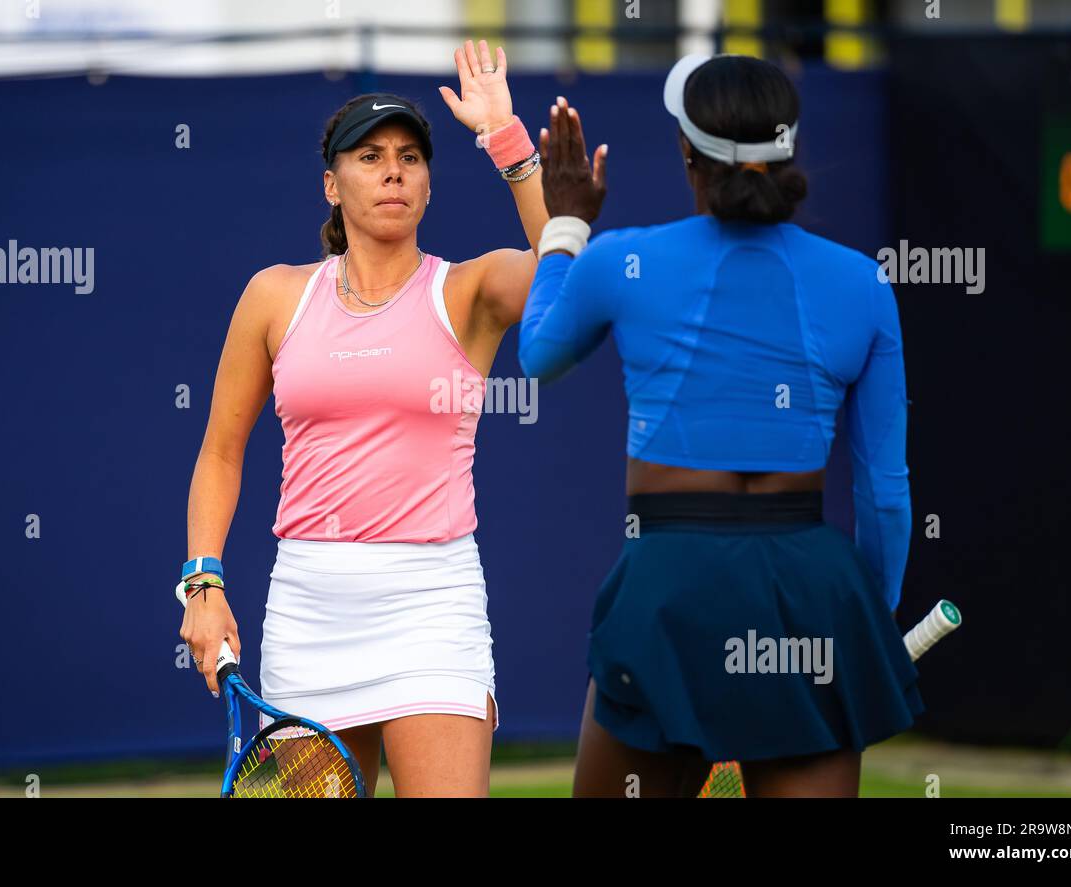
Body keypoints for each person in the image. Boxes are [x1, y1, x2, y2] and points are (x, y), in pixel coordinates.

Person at [521, 53, 923, 797]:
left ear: (687, 152)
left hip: (672, 588)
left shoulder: (620, 260)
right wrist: (870, 615)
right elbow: (886, 493)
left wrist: (568, 225)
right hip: (814, 591)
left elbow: (538, 358)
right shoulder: (864, 282)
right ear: (789, 148)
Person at [178, 40, 548, 797]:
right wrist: (202, 581)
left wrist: (507, 141)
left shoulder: (468, 291)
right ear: (331, 183)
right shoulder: (274, 296)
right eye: (371, 156)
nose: (394, 172)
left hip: (431, 604)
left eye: (411, 158)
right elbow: (220, 452)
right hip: (308, 607)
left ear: (429, 184)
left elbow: (575, 273)